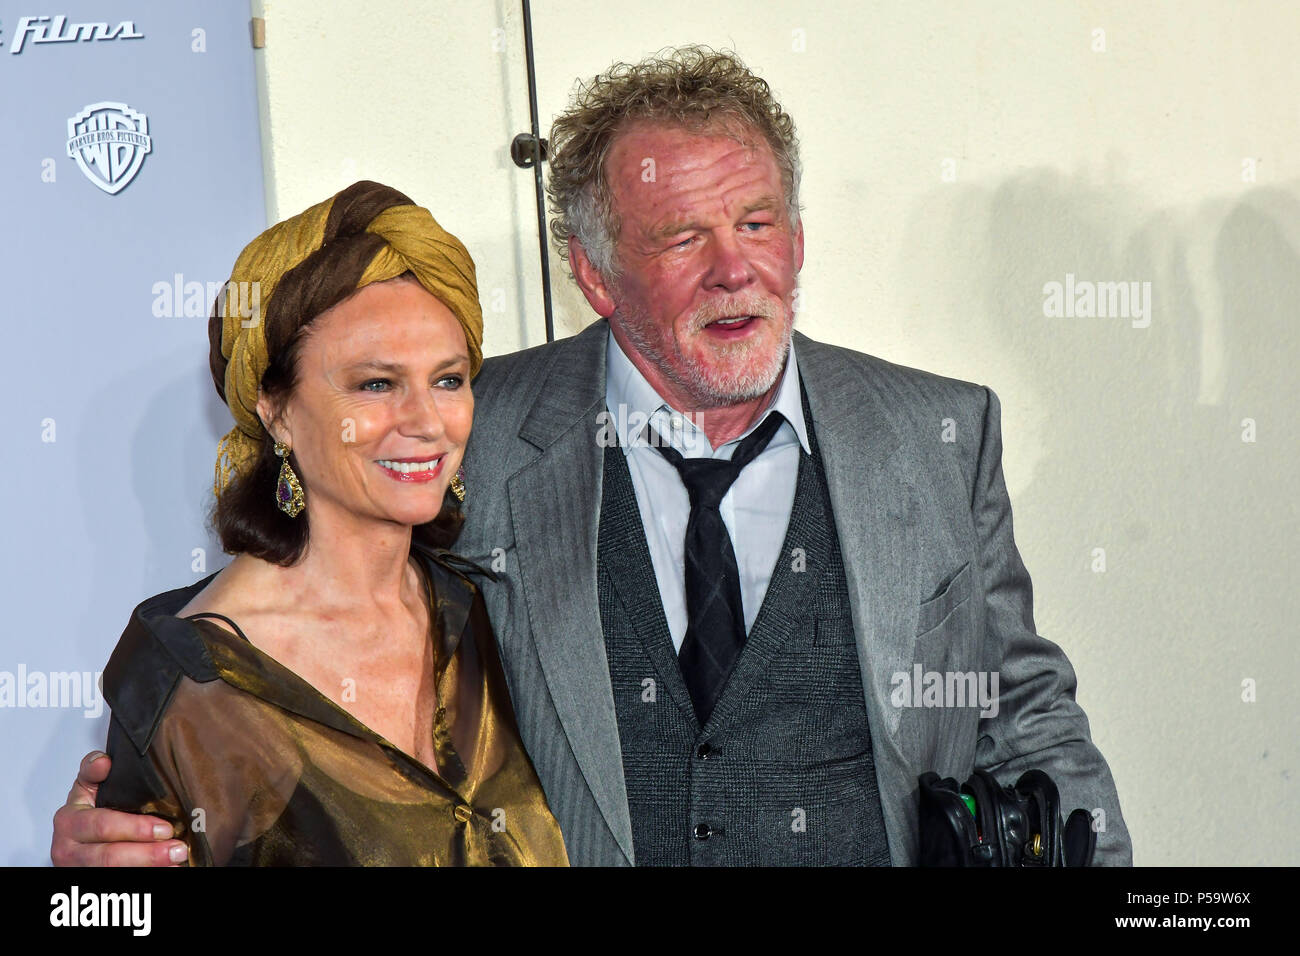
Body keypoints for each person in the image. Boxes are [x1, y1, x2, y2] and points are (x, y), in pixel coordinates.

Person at [53, 46, 1130, 867]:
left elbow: (1022, 709)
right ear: (595, 272)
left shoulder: (933, 432)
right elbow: (287, 649)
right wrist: (106, 856)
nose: (733, 271)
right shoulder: (475, 426)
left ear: (797, 237)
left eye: (757, 222)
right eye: (679, 237)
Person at [70, 180, 569, 866]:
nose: (427, 422)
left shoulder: (486, 607)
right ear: (276, 410)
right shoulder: (189, 682)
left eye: (448, 380)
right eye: (375, 384)